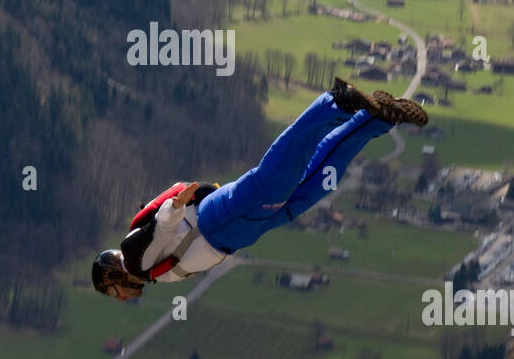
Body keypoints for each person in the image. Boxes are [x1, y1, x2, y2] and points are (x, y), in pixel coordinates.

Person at [92, 77, 428, 301]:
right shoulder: (145, 270)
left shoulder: (134, 261)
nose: (119, 298)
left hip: (218, 223)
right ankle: (377, 118)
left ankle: (334, 103)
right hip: (234, 233)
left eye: (112, 292)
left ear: (112, 276)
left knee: (274, 179)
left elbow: (163, 228)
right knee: (311, 186)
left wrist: (176, 206)